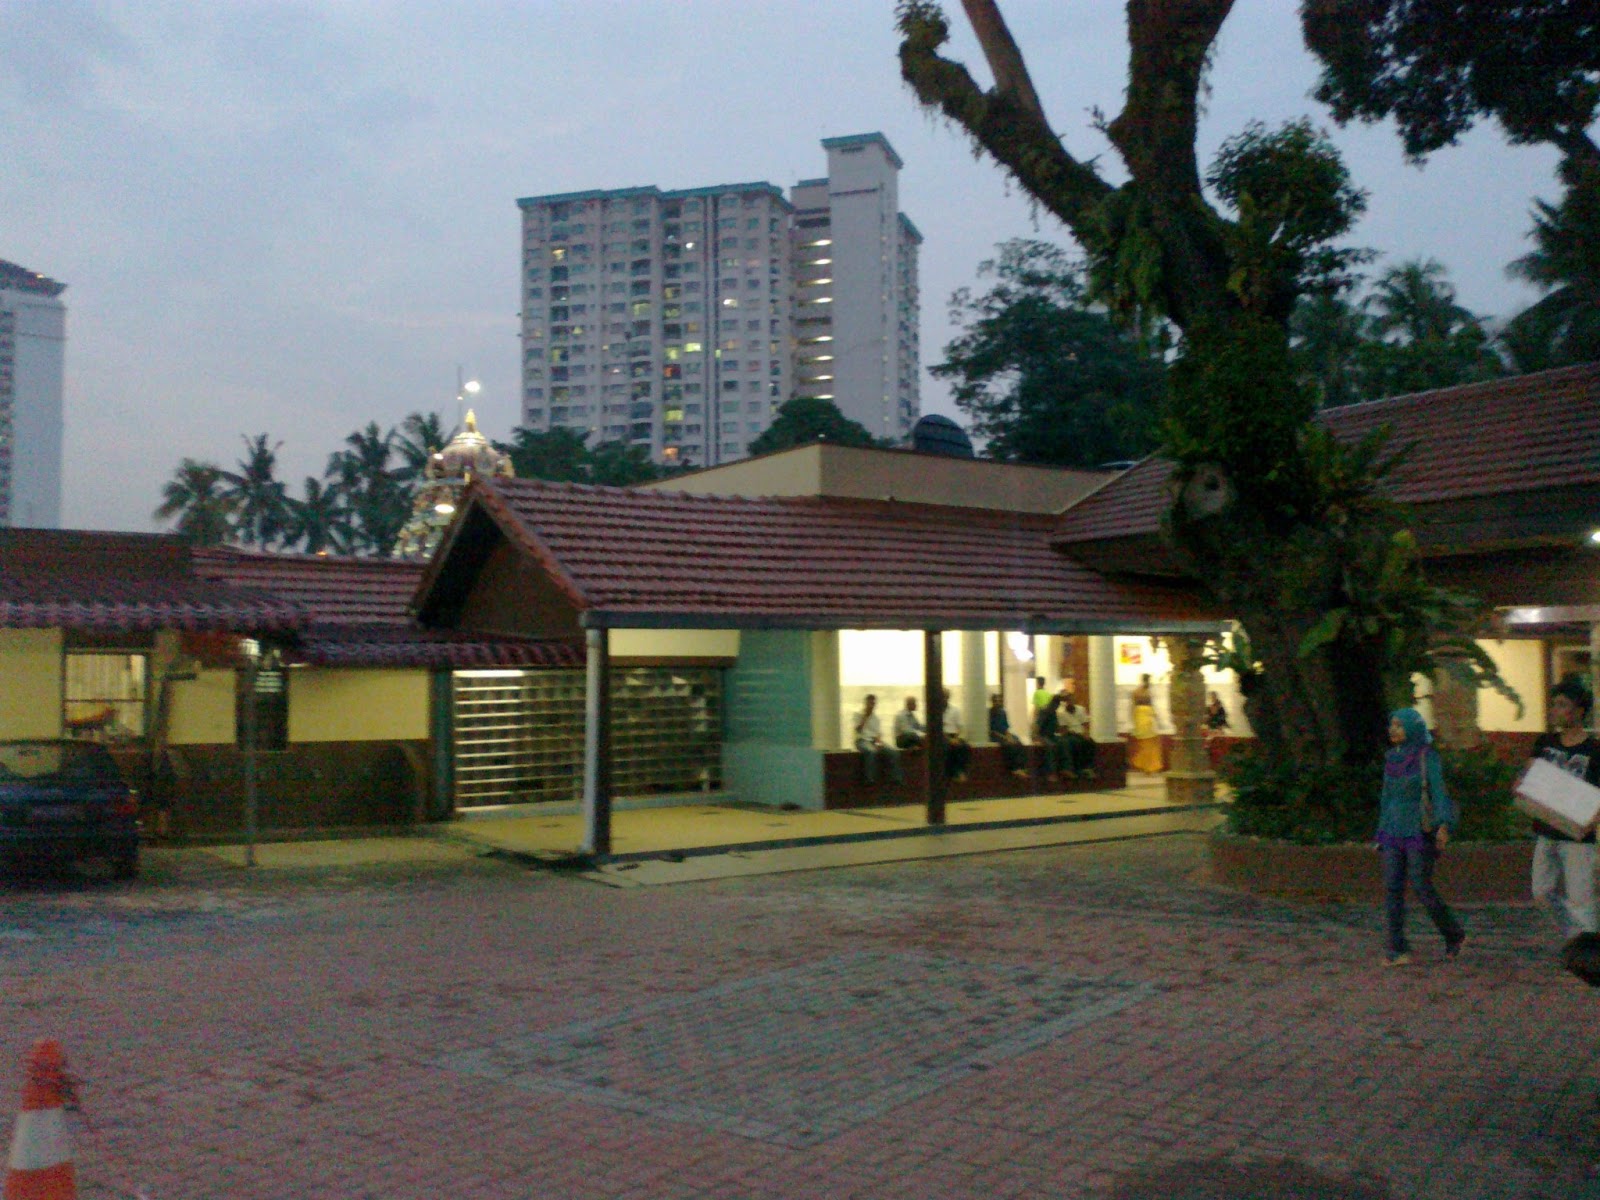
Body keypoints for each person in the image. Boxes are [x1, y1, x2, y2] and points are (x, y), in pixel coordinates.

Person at [1376, 707, 1464, 966]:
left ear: (1412, 728)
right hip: (1392, 830)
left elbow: (1438, 791)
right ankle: (1397, 948)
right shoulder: (1391, 757)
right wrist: (1380, 831)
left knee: (1421, 885)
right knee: (1392, 888)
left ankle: (1453, 934)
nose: (1393, 730)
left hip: (1418, 829)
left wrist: (1443, 824)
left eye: (1399, 725)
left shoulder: (1427, 757)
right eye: (1392, 725)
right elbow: (1386, 796)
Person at [1528, 679, 1600, 938]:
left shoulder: (1594, 750)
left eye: (1562, 705)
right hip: (1547, 829)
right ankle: (1574, 935)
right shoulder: (1546, 742)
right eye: (1554, 704)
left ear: (1579, 711)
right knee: (1541, 892)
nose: (1555, 710)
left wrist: (1591, 822)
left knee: (1581, 898)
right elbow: (1530, 776)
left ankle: (1587, 947)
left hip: (1578, 835)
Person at [853, 694, 902, 785]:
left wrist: (878, 743)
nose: (872, 706)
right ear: (866, 703)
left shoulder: (876, 718)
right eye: (870, 703)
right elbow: (858, 730)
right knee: (871, 752)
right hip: (862, 740)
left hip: (873, 740)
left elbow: (877, 734)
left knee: (893, 752)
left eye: (873, 704)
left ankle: (895, 778)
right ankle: (869, 779)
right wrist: (865, 717)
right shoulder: (857, 714)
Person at [1128, 673, 1163, 773]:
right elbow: (1134, 706)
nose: (1150, 683)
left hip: (1144, 717)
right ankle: (1148, 766)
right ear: (1145, 681)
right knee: (1147, 743)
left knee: (1147, 743)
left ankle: (1147, 766)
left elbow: (1134, 707)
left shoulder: (1140, 692)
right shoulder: (1140, 693)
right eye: (1149, 681)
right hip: (1142, 718)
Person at [1059, 691, 1096, 779]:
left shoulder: (1081, 709)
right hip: (1070, 734)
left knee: (1091, 743)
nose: (1070, 702)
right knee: (1076, 743)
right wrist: (1073, 733)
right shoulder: (1061, 712)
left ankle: (1089, 768)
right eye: (1068, 700)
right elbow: (1063, 729)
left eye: (1071, 700)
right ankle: (1077, 769)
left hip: (1081, 733)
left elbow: (1085, 724)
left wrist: (1086, 733)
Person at [988, 694, 1028, 776]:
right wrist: (1005, 738)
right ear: (992, 702)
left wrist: (1009, 736)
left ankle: (1022, 767)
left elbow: (1006, 727)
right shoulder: (989, 713)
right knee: (1008, 745)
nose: (997, 703)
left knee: (1018, 742)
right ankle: (1014, 768)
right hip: (996, 735)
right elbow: (992, 730)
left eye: (999, 701)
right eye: (996, 701)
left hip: (1004, 734)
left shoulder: (1003, 712)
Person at [941, 688, 971, 782]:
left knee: (965, 746)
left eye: (945, 696)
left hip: (955, 736)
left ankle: (962, 772)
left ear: (948, 697)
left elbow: (960, 726)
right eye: (942, 696)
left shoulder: (955, 710)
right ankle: (952, 774)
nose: (944, 698)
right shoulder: (934, 711)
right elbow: (937, 728)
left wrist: (957, 738)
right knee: (948, 748)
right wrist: (949, 739)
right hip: (941, 736)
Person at [1034, 693, 1065, 782]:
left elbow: (1056, 728)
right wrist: (1036, 737)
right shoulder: (1044, 711)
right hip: (1042, 735)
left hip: (1051, 735)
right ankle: (1051, 773)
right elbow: (1037, 726)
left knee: (1064, 743)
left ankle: (1064, 769)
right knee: (1050, 746)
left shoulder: (1054, 713)